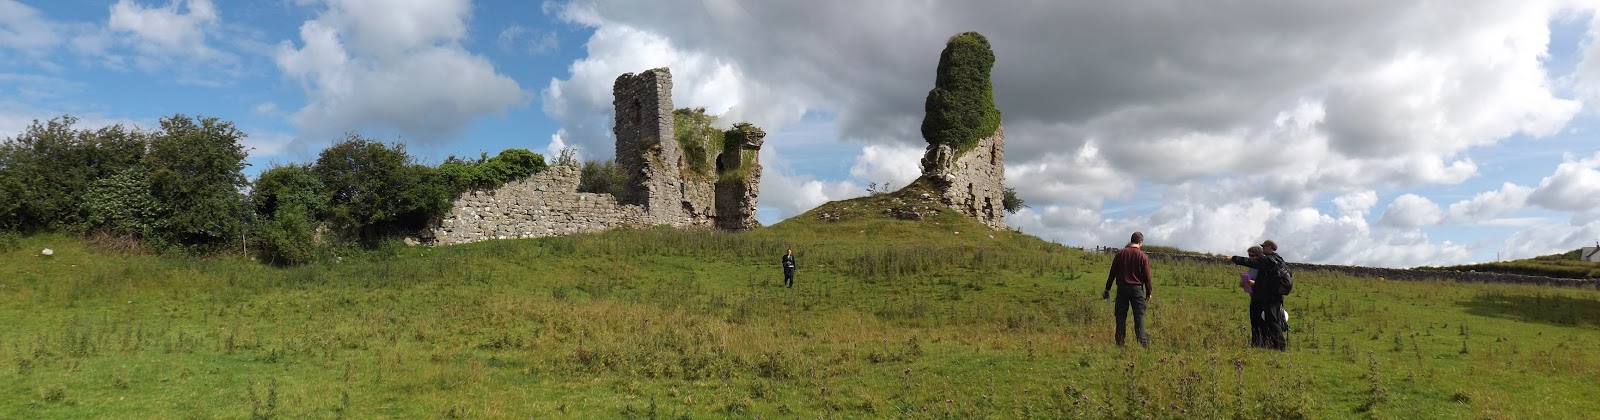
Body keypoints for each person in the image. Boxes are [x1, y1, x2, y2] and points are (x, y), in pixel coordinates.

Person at [1223, 240, 1289, 351]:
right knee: (1266, 320)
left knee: (1271, 321)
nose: (1263, 248)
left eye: (1264, 247)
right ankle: (1263, 344)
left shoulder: (1269, 260)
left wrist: (1234, 258)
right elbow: (1267, 279)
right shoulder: (1278, 260)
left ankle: (1280, 346)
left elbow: (1251, 263)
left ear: (1269, 247)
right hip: (1271, 296)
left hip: (1268, 297)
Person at [1102, 231, 1153, 347]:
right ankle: (1142, 344)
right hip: (1137, 289)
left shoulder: (1120, 254)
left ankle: (1120, 343)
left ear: (1131, 240)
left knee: (1120, 316)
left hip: (1122, 289)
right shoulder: (1142, 256)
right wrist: (1149, 292)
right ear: (1140, 242)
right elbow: (1147, 277)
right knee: (1139, 316)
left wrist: (1107, 289)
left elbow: (1112, 273)